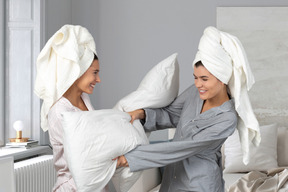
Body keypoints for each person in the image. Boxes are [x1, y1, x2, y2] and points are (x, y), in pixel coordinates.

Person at [116, 26, 261, 192]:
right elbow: (171, 115)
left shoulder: (227, 118)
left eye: (204, 79)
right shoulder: (194, 93)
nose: (198, 84)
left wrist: (130, 158)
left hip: (200, 185)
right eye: (196, 78)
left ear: (222, 80)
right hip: (172, 180)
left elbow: (184, 146)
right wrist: (142, 114)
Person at [34, 25, 108, 192]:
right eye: (94, 73)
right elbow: (82, 155)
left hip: (94, 184)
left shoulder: (84, 99)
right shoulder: (59, 112)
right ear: (78, 72)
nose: (98, 79)